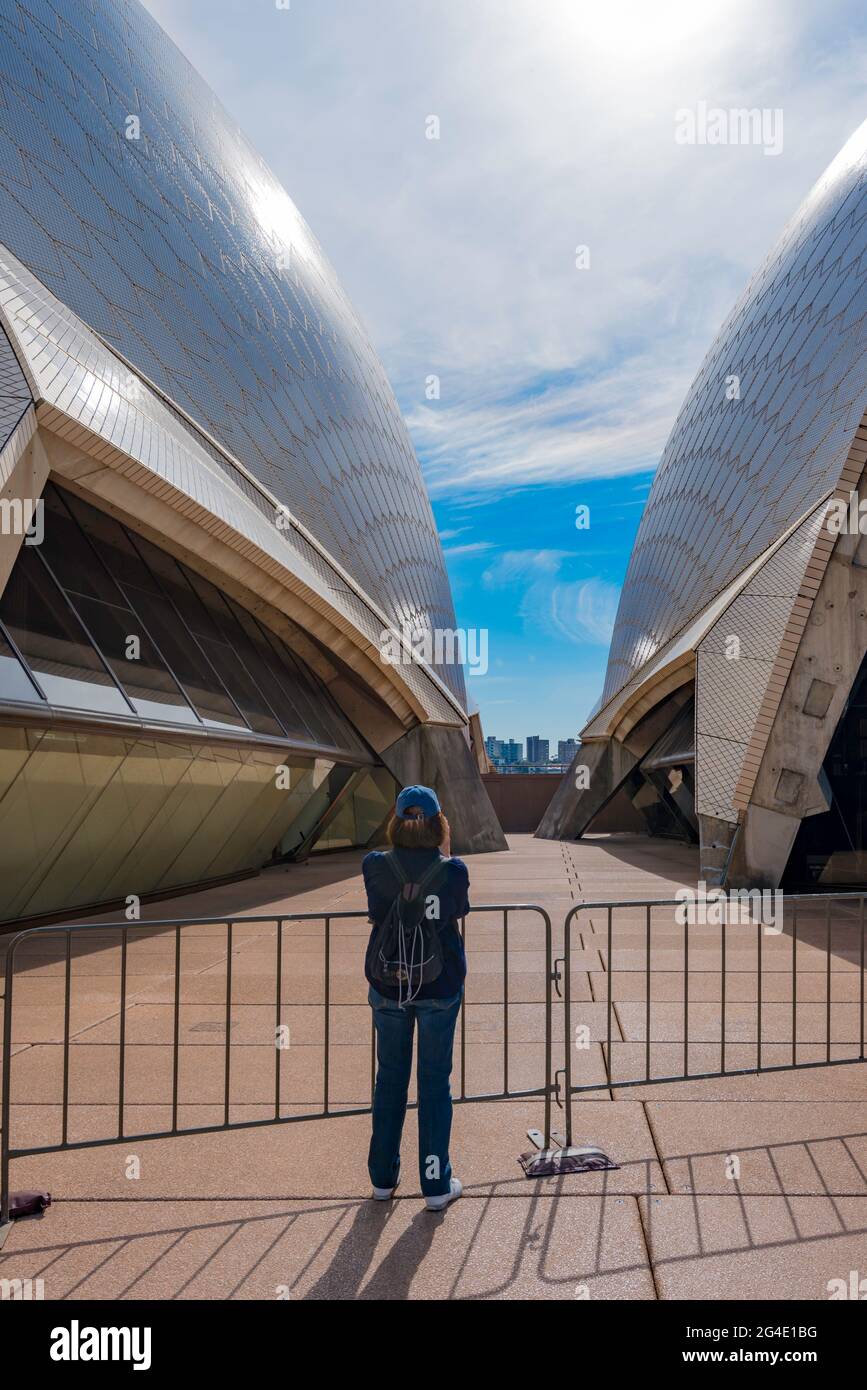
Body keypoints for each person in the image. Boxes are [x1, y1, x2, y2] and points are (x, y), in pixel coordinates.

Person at [362, 784, 469, 1212]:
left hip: (389, 987)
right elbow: (456, 911)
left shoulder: (375, 865)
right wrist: (445, 850)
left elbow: (376, 913)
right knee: (433, 1083)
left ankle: (383, 1179)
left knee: (389, 1079)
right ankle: (435, 1181)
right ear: (439, 823)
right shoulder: (453, 870)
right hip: (439, 987)